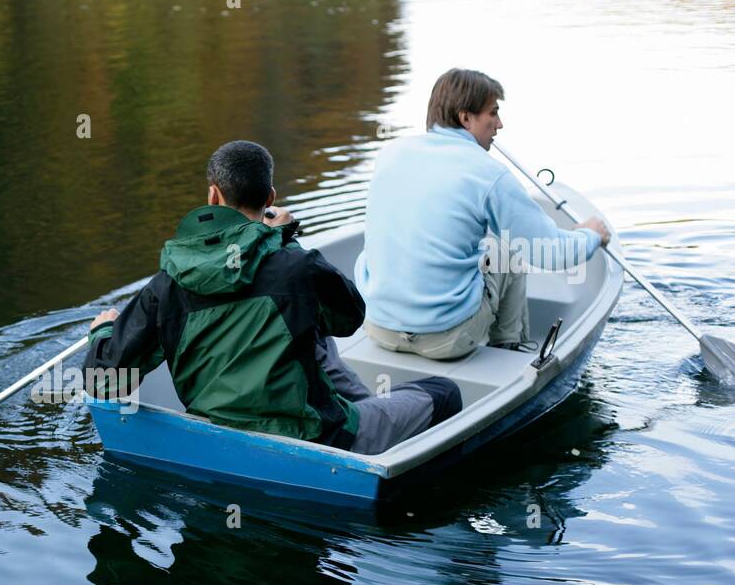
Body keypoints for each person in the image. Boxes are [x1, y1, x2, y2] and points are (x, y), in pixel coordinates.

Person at [83, 140, 460, 455]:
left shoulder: (166, 286)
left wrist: (103, 334)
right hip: (319, 441)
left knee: (310, 331)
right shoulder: (297, 267)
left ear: (212, 196)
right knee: (444, 393)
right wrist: (286, 241)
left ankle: (362, 403)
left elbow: (103, 382)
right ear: (270, 198)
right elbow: (350, 318)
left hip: (221, 444)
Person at [354, 68, 610, 359]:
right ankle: (508, 349)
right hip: (445, 341)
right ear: (466, 118)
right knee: (508, 249)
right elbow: (550, 253)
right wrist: (591, 235)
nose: (499, 124)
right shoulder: (488, 173)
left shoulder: (390, 153)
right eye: (493, 113)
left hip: (377, 327)